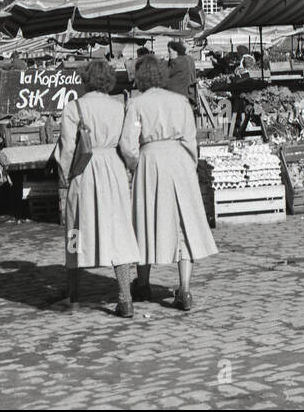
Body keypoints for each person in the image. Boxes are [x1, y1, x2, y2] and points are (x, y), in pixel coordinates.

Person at [121, 55, 217, 312]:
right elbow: (190, 138)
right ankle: (184, 289)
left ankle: (142, 284)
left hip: (150, 160)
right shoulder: (181, 102)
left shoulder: (136, 104)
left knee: (145, 219)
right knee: (184, 224)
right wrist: (189, 164)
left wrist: (134, 165)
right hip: (179, 162)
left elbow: (128, 145)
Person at [53, 59, 140, 316]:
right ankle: (125, 297)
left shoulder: (74, 107)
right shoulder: (120, 107)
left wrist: (64, 179)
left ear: (85, 79)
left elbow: (67, 148)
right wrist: (128, 167)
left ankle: (73, 294)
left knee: (75, 229)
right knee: (119, 229)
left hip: (84, 170)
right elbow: (127, 144)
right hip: (113, 168)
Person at [161, 39, 197, 104]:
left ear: (176, 51)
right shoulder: (186, 59)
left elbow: (166, 73)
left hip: (176, 96)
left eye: (169, 51)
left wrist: (164, 62)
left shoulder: (178, 62)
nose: (168, 54)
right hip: (184, 94)